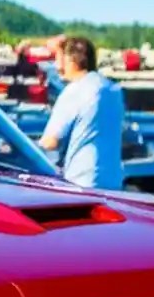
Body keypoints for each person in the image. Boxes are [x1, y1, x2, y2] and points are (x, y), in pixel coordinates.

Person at [38, 36, 125, 190]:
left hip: (82, 184)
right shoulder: (113, 90)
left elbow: (50, 142)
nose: (57, 66)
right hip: (113, 181)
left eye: (58, 59)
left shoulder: (74, 91)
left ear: (70, 60)